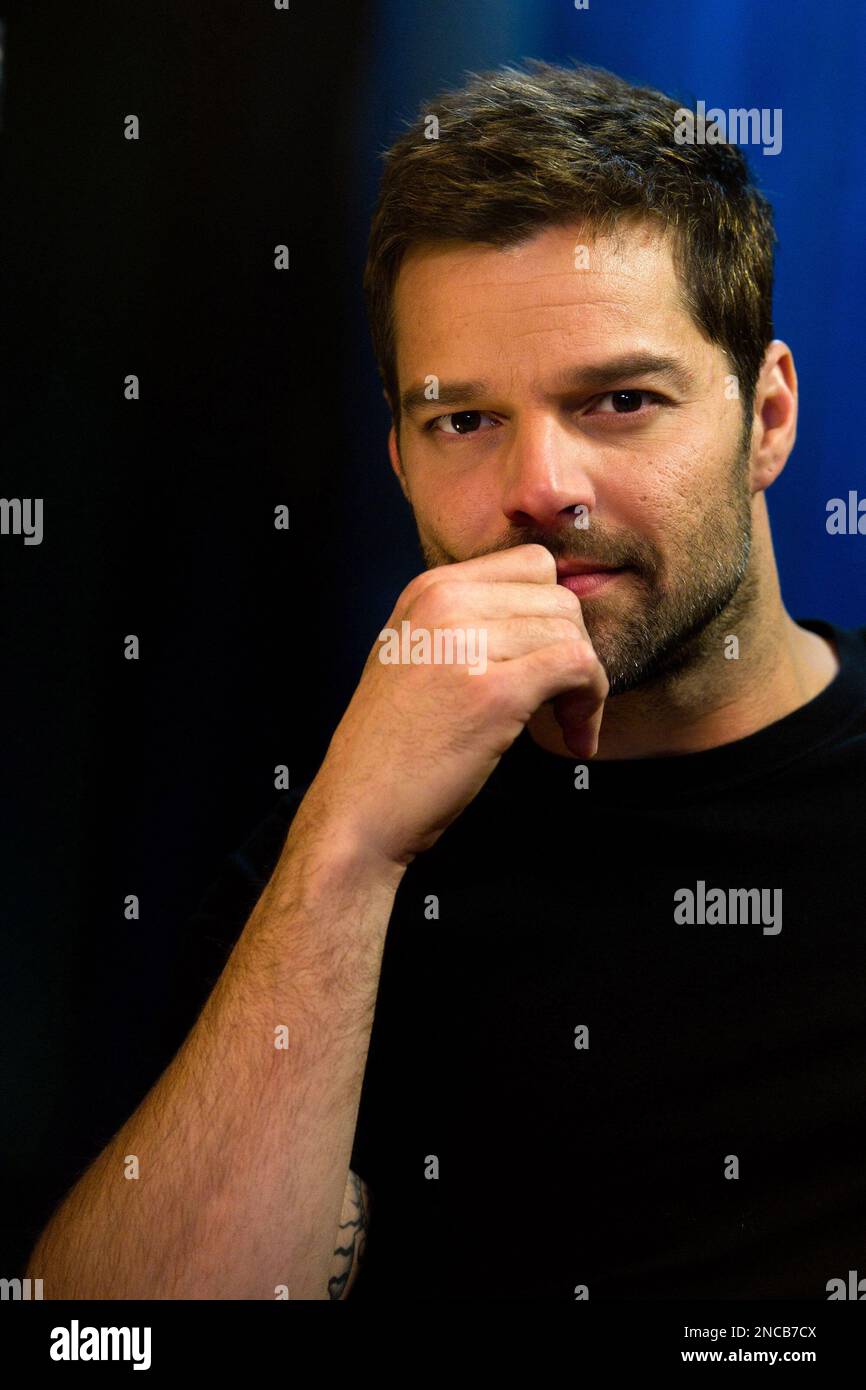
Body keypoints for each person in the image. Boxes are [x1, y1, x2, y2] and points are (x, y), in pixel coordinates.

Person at [27, 59, 866, 1301]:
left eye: (619, 400)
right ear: (399, 460)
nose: (538, 485)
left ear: (769, 416)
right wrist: (347, 855)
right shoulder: (329, 854)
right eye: (460, 420)